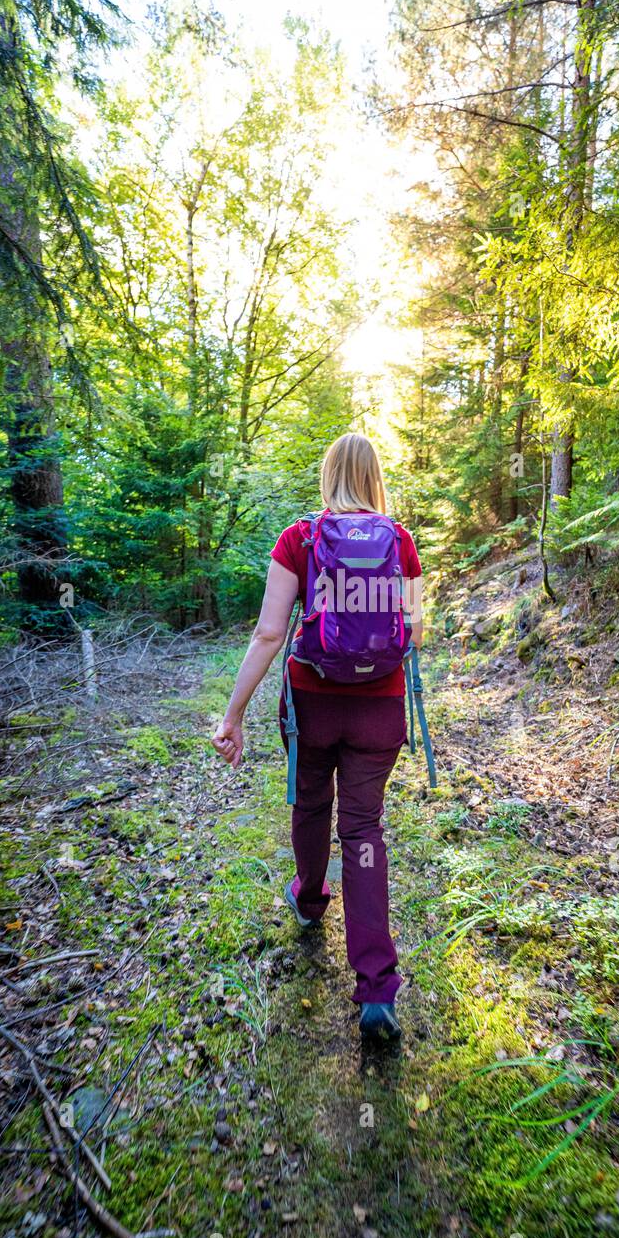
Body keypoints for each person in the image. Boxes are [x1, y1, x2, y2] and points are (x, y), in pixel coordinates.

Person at [212, 432, 423, 1042]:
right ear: (375, 476)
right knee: (362, 829)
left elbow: (267, 635)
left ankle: (308, 899)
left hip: (311, 704)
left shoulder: (300, 539)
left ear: (329, 474)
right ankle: (377, 989)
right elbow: (412, 631)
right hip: (378, 710)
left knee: (310, 802)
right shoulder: (401, 541)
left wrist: (233, 715)